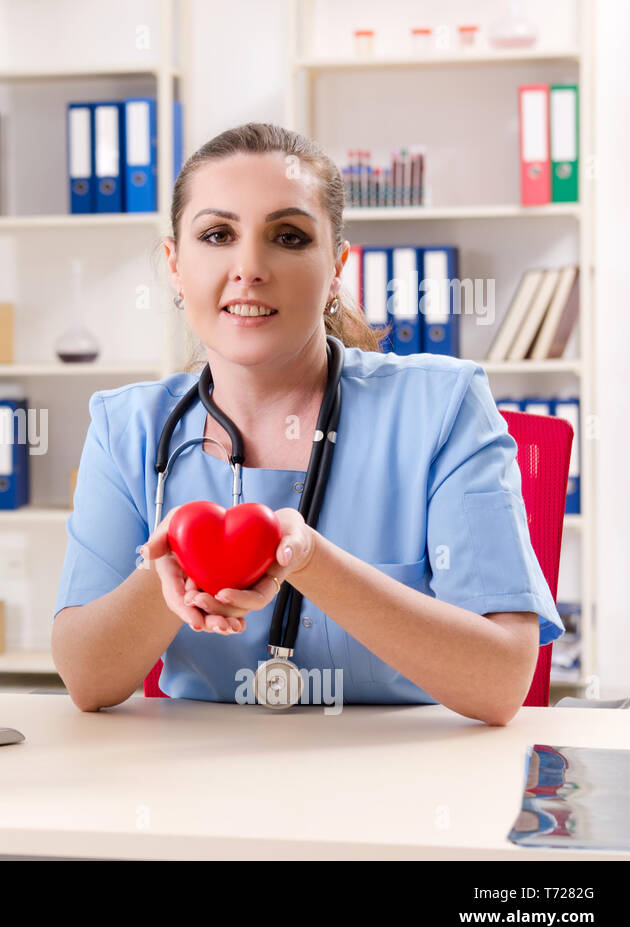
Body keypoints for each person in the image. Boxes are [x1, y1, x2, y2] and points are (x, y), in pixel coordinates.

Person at [51, 122, 563, 725]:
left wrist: (309, 560)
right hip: (200, 783)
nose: (249, 267)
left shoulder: (443, 406)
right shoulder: (126, 426)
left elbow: (501, 683)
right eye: (217, 234)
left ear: (337, 266)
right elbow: (87, 679)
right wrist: (183, 562)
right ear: (174, 266)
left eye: (288, 237)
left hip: (409, 782)